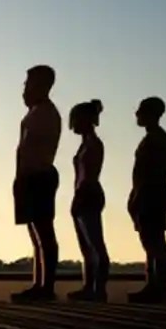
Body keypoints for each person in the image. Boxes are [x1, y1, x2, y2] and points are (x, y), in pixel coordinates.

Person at [12, 65, 63, 302]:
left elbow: (36, 150)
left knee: (44, 232)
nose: (24, 88)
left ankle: (47, 286)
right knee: (36, 235)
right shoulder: (34, 112)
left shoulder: (45, 113)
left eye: (28, 83)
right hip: (28, 177)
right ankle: (39, 284)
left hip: (39, 176)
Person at [128, 97, 166, 304]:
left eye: (140, 111)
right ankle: (153, 283)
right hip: (149, 194)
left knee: (154, 242)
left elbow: (150, 173)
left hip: (152, 195)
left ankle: (158, 285)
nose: (136, 114)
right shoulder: (154, 138)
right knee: (150, 241)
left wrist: (138, 195)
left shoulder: (157, 139)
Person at [68, 100, 109, 302]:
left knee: (95, 243)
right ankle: (89, 286)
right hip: (82, 193)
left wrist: (80, 195)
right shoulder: (86, 143)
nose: (73, 124)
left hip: (89, 193)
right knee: (86, 246)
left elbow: (89, 174)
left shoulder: (94, 143)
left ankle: (99, 288)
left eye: (76, 119)